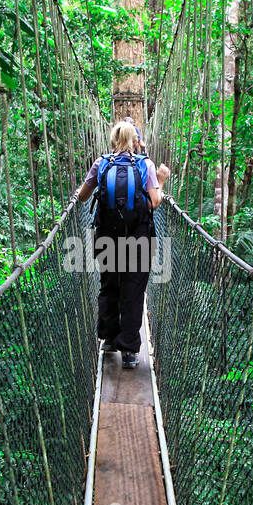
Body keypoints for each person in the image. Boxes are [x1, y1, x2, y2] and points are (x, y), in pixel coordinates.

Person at [77, 121, 170, 369]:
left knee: (109, 284)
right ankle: (129, 351)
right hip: (138, 238)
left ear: (112, 140)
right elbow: (154, 202)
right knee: (133, 290)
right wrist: (160, 181)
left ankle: (108, 339)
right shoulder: (145, 165)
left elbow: (83, 196)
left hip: (107, 236)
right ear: (136, 142)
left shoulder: (102, 163)